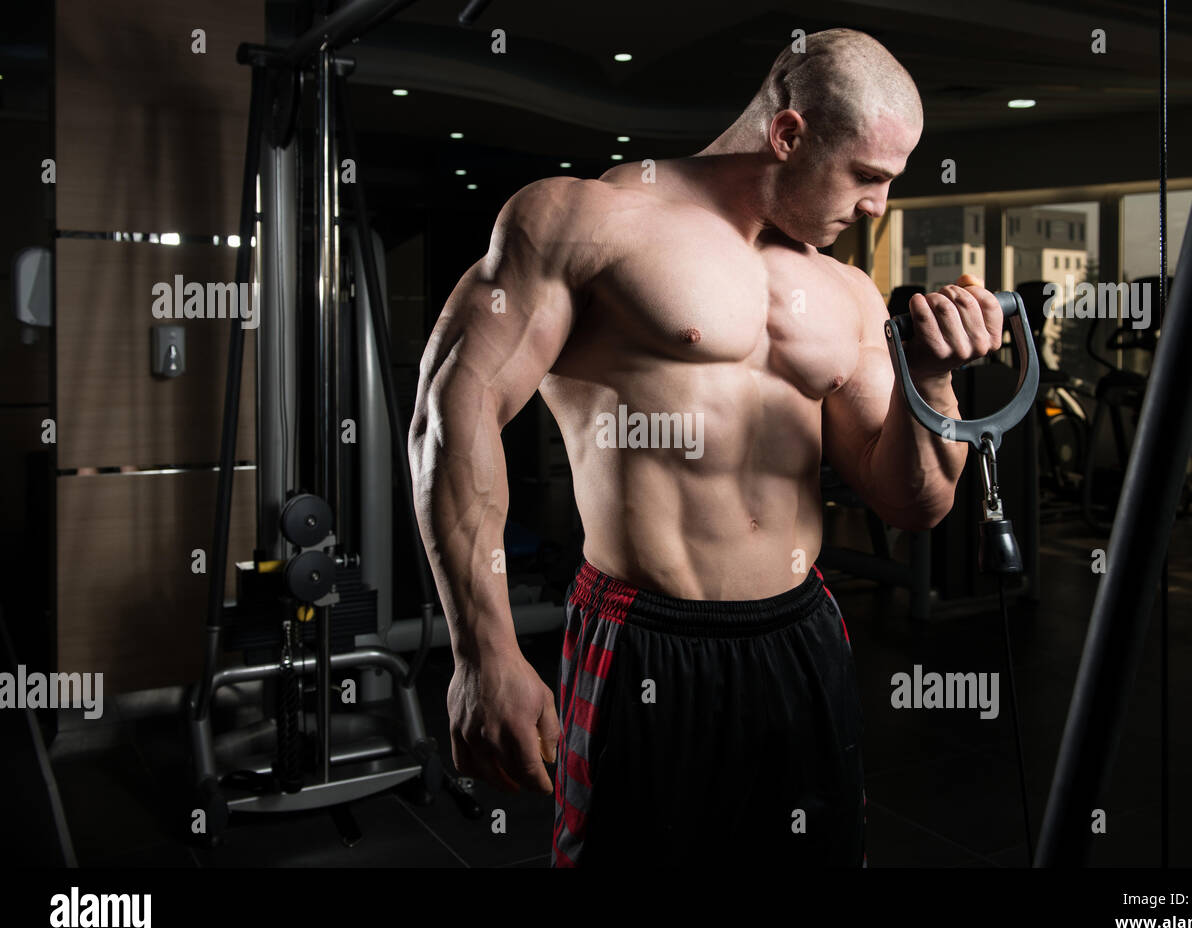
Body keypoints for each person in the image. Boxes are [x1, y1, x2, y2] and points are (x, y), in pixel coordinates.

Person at [408, 27, 1004, 867]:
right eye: (867, 176)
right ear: (789, 133)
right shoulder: (584, 221)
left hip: (800, 637)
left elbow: (915, 503)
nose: (878, 206)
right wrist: (482, 649)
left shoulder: (846, 290)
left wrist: (935, 383)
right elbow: (452, 411)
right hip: (643, 637)